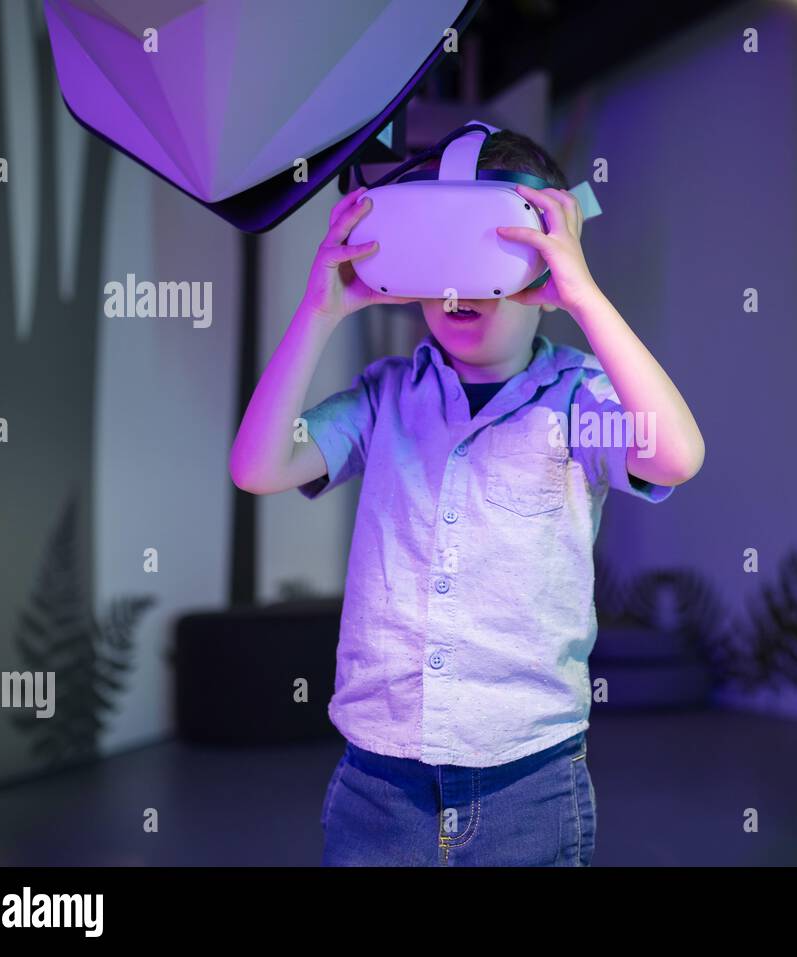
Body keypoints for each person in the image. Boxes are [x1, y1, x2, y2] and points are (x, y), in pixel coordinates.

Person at [228, 129, 704, 865]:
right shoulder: (386, 397)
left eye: (491, 250)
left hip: (530, 781)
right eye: (441, 251)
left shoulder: (578, 401)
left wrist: (583, 296)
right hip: (377, 785)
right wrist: (317, 313)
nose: (463, 282)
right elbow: (258, 466)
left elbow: (674, 455)